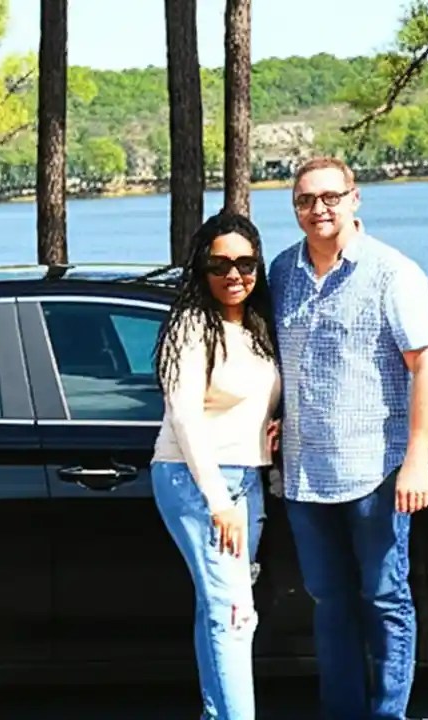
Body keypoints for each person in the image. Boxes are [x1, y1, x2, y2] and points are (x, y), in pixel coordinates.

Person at [267, 157, 428, 720]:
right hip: (303, 473)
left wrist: (417, 459)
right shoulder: (280, 272)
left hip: (377, 471)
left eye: (329, 197)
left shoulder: (393, 273)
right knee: (330, 603)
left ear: (354, 198)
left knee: (385, 598)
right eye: (305, 200)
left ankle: (389, 714)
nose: (318, 209)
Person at [150, 210, 282, 720]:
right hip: (196, 479)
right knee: (234, 614)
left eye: (246, 263)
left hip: (247, 479)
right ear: (201, 267)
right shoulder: (191, 326)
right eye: (220, 263)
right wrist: (217, 500)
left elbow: (253, 405)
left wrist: (275, 429)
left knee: (219, 609)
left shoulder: (254, 327)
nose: (234, 275)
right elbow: (185, 417)